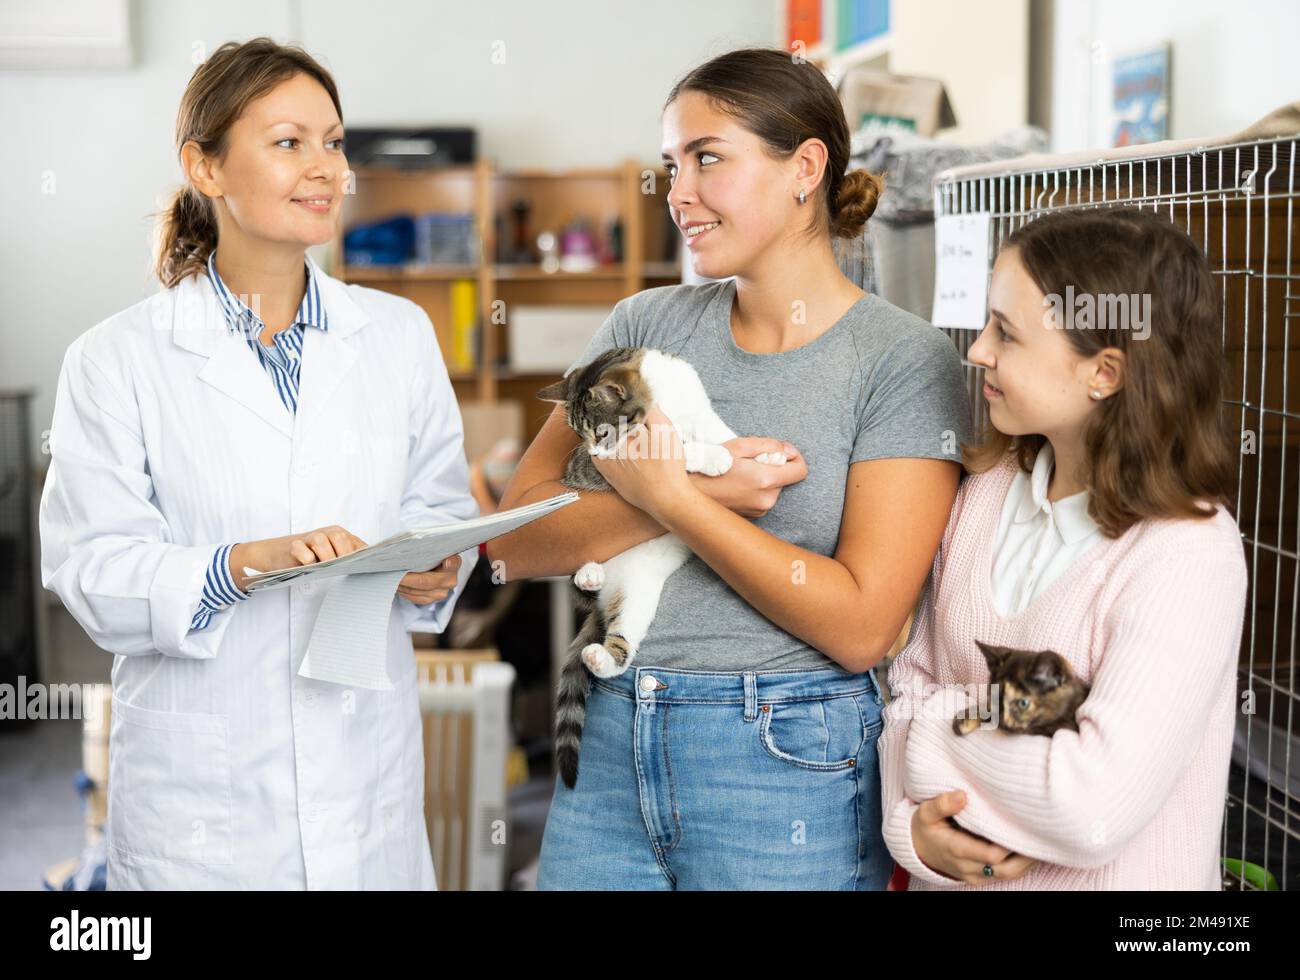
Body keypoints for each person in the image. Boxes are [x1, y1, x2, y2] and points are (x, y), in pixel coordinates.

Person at [489, 48, 970, 890]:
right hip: (605, 744)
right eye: (671, 164)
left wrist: (673, 497)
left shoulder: (900, 360)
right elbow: (514, 540)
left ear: (805, 168)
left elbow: (860, 627)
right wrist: (700, 493)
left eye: (708, 158)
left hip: (784, 760)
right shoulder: (645, 321)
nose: (678, 194)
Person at [39, 38, 479, 889]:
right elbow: (89, 568)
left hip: (365, 767)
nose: (326, 169)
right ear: (204, 167)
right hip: (203, 799)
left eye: (335, 141)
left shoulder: (396, 337)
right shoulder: (116, 360)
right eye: (288, 143)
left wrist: (436, 565)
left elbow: (441, 509)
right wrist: (243, 565)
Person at [878, 207, 1248, 889]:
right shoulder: (984, 493)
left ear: (1103, 373)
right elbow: (905, 689)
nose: (978, 350)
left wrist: (934, 729)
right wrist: (919, 838)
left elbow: (1090, 810)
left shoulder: (1188, 556)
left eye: (1007, 334)